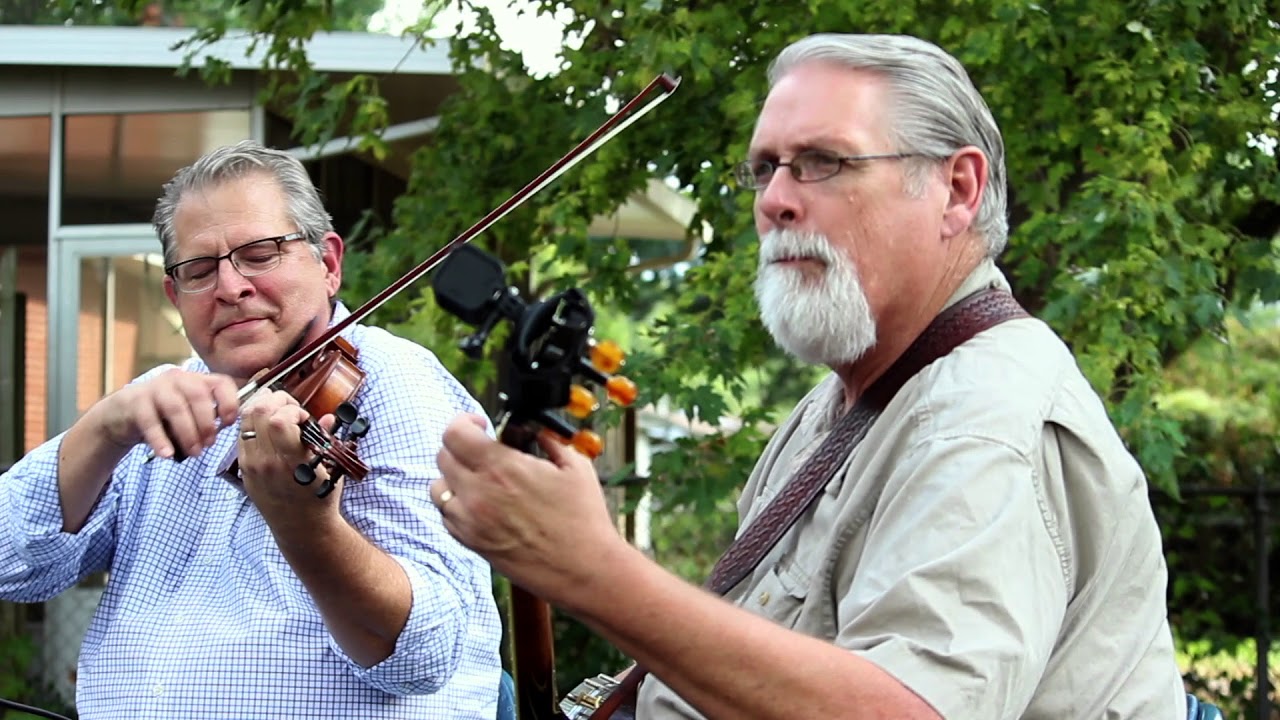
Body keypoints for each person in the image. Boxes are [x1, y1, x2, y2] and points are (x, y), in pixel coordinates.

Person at [429, 33, 1193, 719]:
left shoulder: (981, 414)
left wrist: (592, 571)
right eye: (764, 169)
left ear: (956, 190)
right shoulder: (844, 399)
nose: (775, 201)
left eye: (823, 162)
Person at [0, 140, 502, 718]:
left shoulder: (402, 390)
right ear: (174, 294)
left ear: (329, 263)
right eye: (199, 269)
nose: (230, 286)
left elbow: (425, 657)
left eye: (260, 253)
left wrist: (305, 526)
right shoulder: (165, 398)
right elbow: (15, 565)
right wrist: (104, 431)